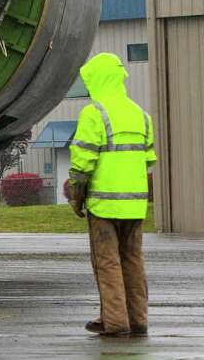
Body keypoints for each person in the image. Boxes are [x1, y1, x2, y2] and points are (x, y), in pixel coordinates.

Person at [68, 53, 156, 337]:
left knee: (107, 263)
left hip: (104, 205)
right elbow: (148, 159)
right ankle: (138, 319)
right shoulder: (140, 115)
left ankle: (116, 322)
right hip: (135, 206)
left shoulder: (95, 114)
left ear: (98, 80)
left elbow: (82, 163)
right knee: (133, 260)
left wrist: (76, 198)